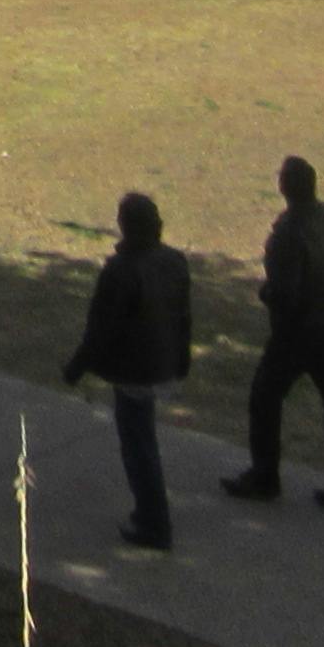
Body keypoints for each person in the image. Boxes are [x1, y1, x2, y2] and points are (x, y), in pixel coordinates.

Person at [223, 154, 324, 515]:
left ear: (284, 187)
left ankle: (265, 476)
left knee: (265, 398)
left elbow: (285, 292)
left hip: (300, 332)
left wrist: (266, 295)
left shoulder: (288, 232)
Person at [62, 188, 195, 549]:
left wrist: (75, 368)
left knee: (139, 447)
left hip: (135, 369)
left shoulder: (121, 272)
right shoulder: (174, 261)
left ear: (124, 226)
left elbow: (100, 329)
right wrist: (182, 359)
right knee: (142, 440)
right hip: (163, 362)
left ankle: (154, 523)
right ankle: (149, 515)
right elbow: (184, 318)